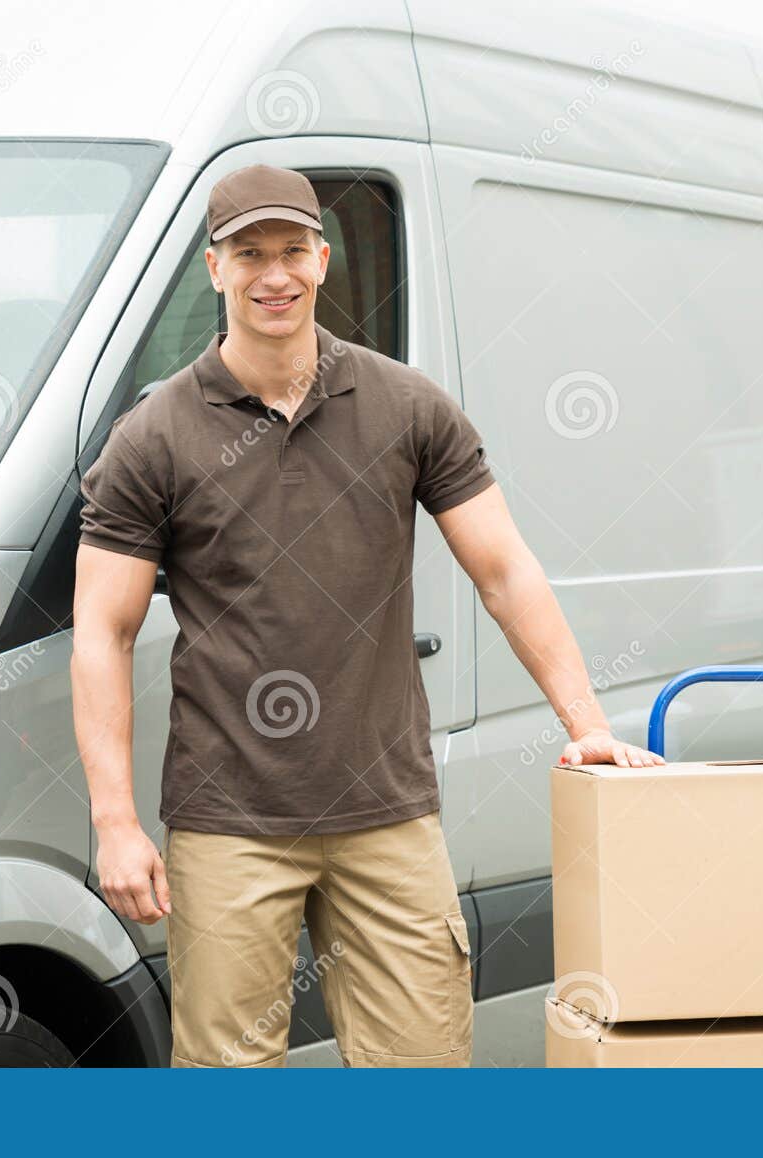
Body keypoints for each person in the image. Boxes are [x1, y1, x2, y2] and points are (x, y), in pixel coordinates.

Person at [71, 163, 664, 1067]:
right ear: (214, 268)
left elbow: (504, 571)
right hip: (229, 818)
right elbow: (102, 633)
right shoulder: (155, 437)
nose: (275, 274)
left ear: (322, 258)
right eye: (250, 253)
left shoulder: (405, 404)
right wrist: (116, 821)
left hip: (387, 810)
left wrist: (586, 724)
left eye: (292, 252)